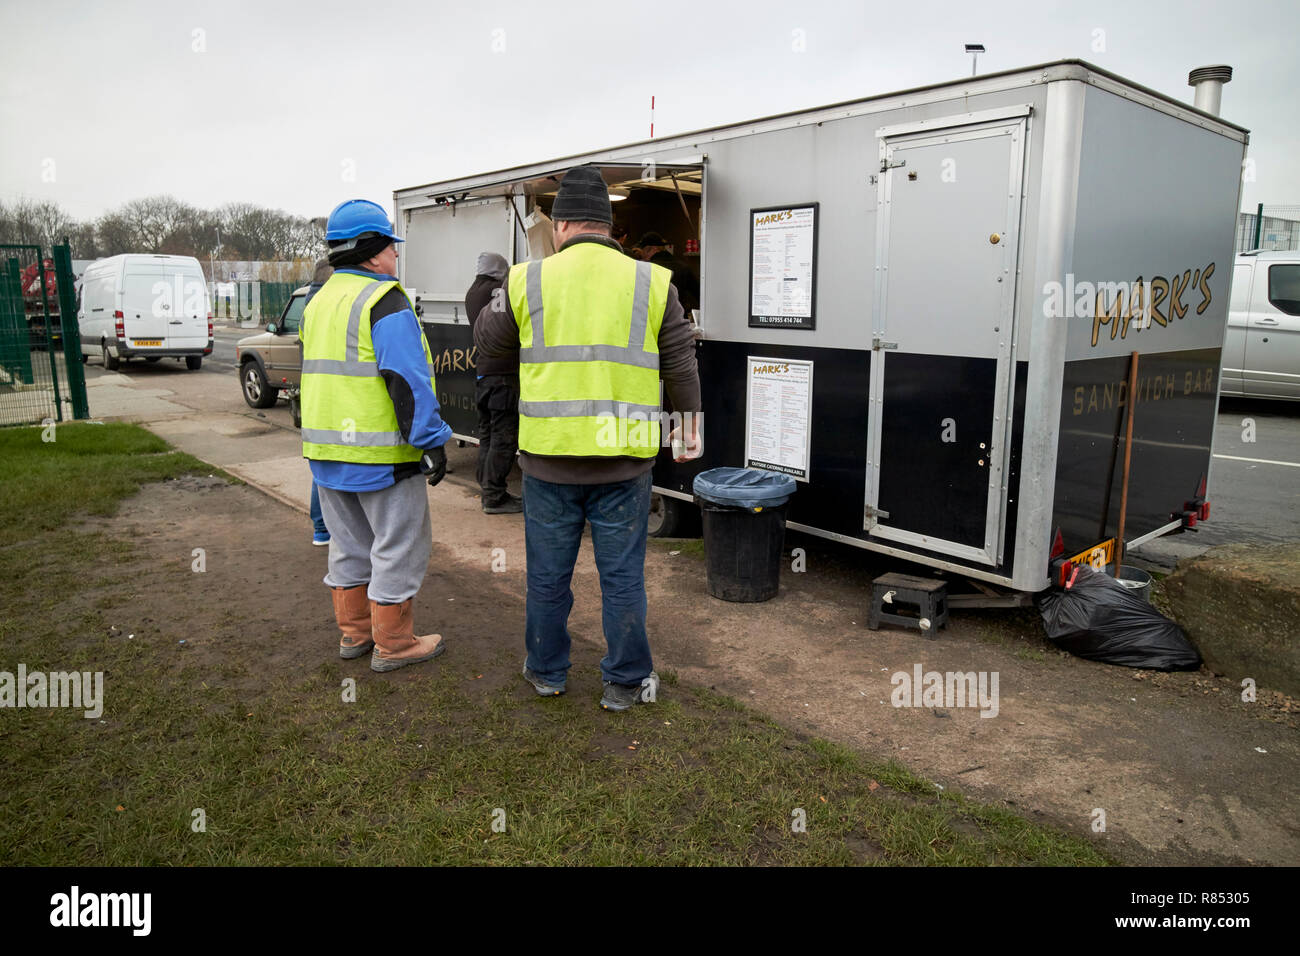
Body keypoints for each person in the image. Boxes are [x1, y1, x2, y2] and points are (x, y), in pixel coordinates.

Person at [474, 166, 702, 711]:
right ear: (608, 225)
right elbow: (680, 361)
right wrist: (688, 425)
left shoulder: (528, 279)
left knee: (548, 579)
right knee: (623, 578)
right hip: (625, 462)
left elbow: (488, 347)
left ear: (564, 225)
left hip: (549, 463)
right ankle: (625, 682)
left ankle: (548, 673)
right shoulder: (652, 282)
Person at [300, 199, 453, 672]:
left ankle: (355, 635)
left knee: (349, 545)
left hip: (326, 453)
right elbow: (405, 379)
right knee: (398, 545)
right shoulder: (384, 299)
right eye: (391, 246)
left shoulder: (317, 300)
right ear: (371, 252)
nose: (396, 256)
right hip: (383, 455)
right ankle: (396, 644)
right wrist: (430, 440)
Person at [465, 252, 522, 514]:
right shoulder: (498, 291)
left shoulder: (471, 292)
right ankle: (495, 496)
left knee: (487, 433)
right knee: (503, 435)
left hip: (483, 373)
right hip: (503, 373)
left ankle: (487, 488)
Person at [305, 257, 333, 546]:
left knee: (320, 466)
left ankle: (321, 528)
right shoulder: (328, 303)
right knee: (327, 469)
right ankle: (323, 527)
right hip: (332, 398)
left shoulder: (310, 305)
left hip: (316, 397)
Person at [638, 231, 699, 313]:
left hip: (655, 318)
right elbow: (699, 295)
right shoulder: (683, 267)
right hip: (679, 319)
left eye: (642, 251)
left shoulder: (647, 268)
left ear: (652, 249)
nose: (642, 255)